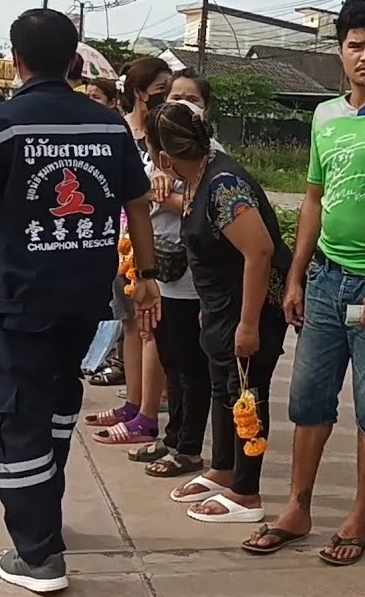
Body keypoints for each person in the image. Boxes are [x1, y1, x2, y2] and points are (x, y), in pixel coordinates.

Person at [0, 7, 161, 593]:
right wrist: (146, 275)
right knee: (60, 406)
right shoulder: (109, 125)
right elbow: (138, 204)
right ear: (72, 61)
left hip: (23, 300)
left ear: (16, 59)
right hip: (86, 298)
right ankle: (47, 518)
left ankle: (38, 555)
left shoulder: (0, 125)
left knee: (21, 417)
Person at [245, 0, 365, 565]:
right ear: (340, 52)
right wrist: (296, 277)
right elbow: (313, 199)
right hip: (325, 281)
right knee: (308, 400)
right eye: (356, 45)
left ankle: (360, 517)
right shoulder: (325, 116)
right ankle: (297, 508)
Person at [145, 99, 291, 524]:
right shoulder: (198, 177)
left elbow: (259, 252)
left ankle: (246, 493)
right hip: (221, 308)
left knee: (246, 393)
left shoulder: (224, 186)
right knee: (224, 388)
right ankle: (224, 470)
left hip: (249, 308)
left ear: (164, 157)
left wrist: (248, 323)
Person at [136, 72, 224, 483]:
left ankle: (188, 448)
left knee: (191, 366)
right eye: (176, 96)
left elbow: (200, 205)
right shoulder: (159, 144)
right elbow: (143, 194)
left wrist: (164, 194)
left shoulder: (209, 153)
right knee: (172, 360)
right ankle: (173, 439)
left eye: (193, 99)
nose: (183, 104)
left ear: (205, 109)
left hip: (194, 278)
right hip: (163, 271)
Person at [83, 57, 171, 444]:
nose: (167, 98)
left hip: (155, 243)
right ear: (138, 92)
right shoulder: (117, 131)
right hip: (120, 240)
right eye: (161, 90)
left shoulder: (167, 134)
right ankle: (133, 405)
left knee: (149, 326)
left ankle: (147, 412)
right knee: (130, 324)